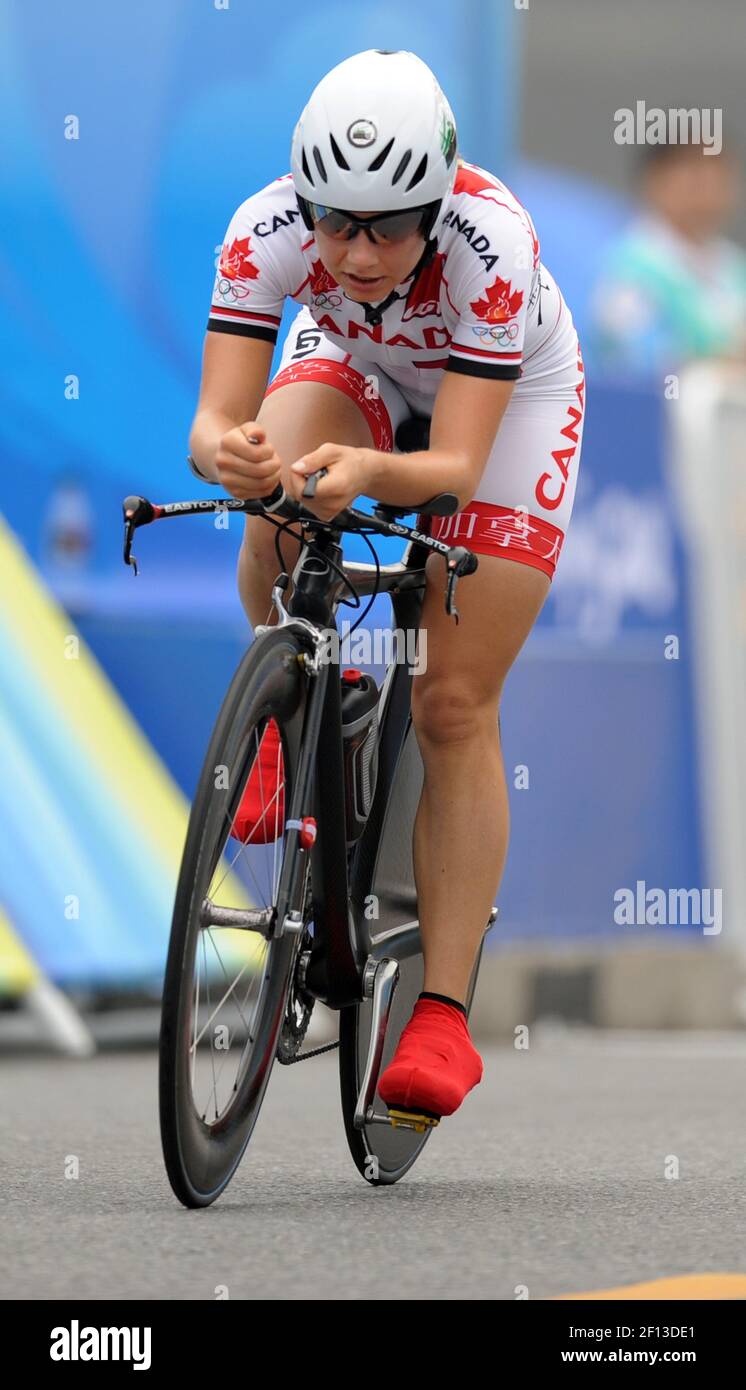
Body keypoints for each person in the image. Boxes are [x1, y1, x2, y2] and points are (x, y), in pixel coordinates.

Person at [188, 49, 586, 1124]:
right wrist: (235, 457)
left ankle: (445, 1016)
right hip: (361, 366)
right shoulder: (262, 229)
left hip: (501, 408)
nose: (358, 250)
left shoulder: (488, 242)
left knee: (451, 698)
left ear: (436, 202)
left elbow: (450, 468)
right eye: (335, 222)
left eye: (388, 226)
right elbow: (213, 426)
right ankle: (304, 706)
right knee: (275, 491)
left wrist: (367, 474)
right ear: (301, 200)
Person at [589, 141, 746, 374]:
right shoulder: (630, 266)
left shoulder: (734, 265)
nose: (709, 191)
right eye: (696, 177)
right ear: (656, 180)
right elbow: (631, 357)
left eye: (719, 177)